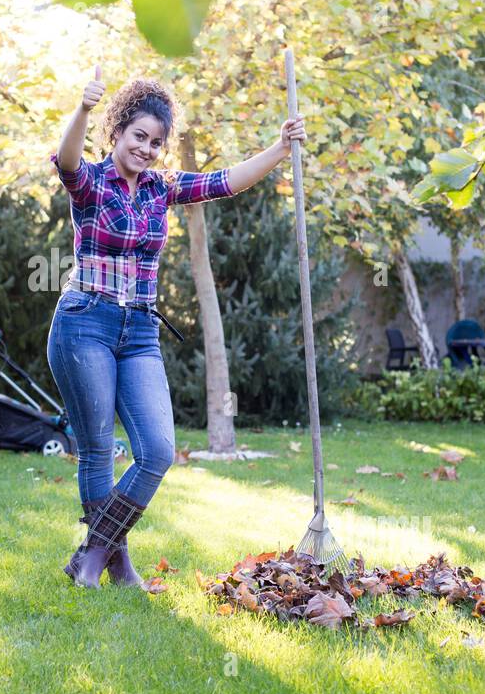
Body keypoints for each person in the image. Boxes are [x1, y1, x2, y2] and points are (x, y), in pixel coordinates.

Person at [48, 64, 306, 588]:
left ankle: (92, 555)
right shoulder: (92, 182)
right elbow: (66, 161)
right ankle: (111, 566)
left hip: (139, 332)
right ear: (116, 133)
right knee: (98, 448)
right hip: (85, 323)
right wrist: (82, 108)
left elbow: (224, 182)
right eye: (138, 136)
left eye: (156, 141)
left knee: (158, 451)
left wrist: (279, 150)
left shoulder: (161, 189)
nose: (146, 148)